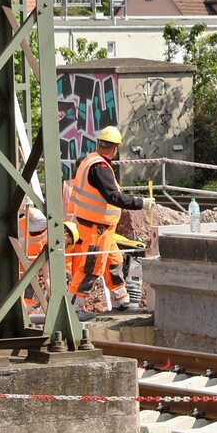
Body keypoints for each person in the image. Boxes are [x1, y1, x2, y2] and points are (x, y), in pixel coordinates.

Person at [66, 125, 145, 308]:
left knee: (114, 261)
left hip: (101, 228)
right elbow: (113, 197)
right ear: (115, 148)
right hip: (96, 228)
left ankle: (121, 300)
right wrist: (141, 203)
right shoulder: (100, 167)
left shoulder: (89, 161)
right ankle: (73, 308)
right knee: (90, 268)